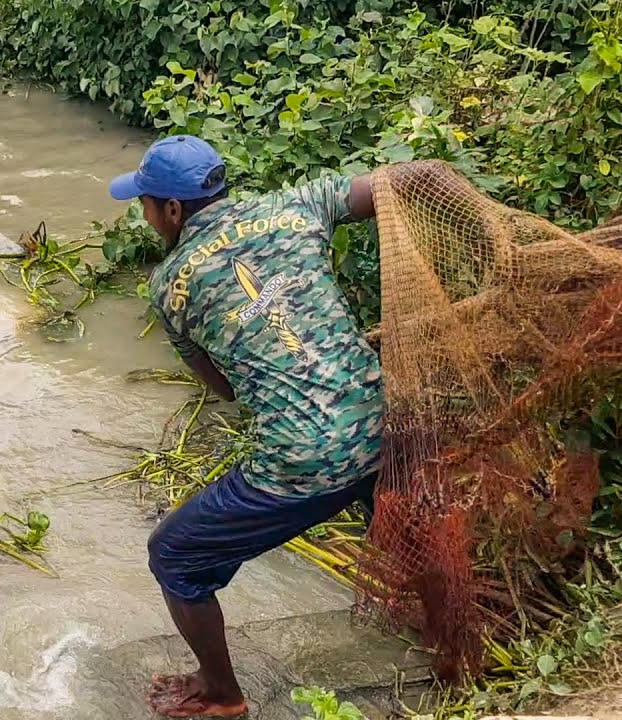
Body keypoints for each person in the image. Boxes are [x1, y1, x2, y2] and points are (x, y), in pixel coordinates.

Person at [107, 135, 383, 718]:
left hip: (303, 459)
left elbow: (226, 389)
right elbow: (389, 184)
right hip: (384, 427)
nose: (147, 213)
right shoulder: (297, 205)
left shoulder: (171, 284)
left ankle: (222, 695)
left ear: (173, 210)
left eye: (147, 203)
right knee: (385, 517)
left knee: (174, 557)